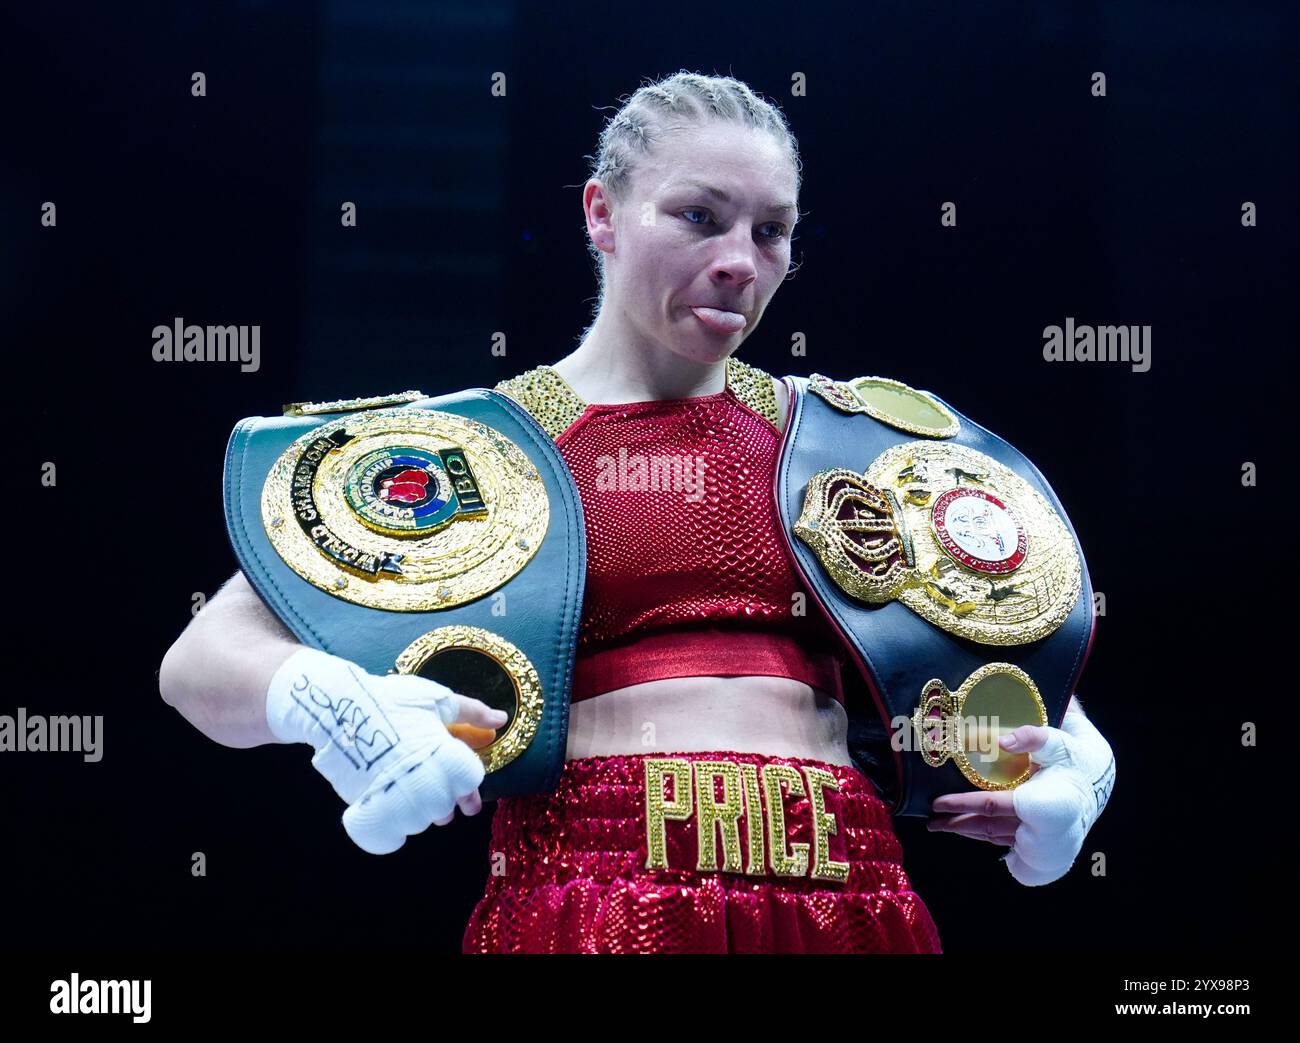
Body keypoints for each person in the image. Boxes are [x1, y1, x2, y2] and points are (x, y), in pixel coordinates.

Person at [160, 71, 1114, 954]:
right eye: (699, 216)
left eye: (771, 231)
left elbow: (1037, 692)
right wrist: (344, 710)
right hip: (592, 887)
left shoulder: (853, 448)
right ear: (602, 214)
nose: (740, 261)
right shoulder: (473, 451)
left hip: (854, 889)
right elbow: (198, 666)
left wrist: (1080, 777)